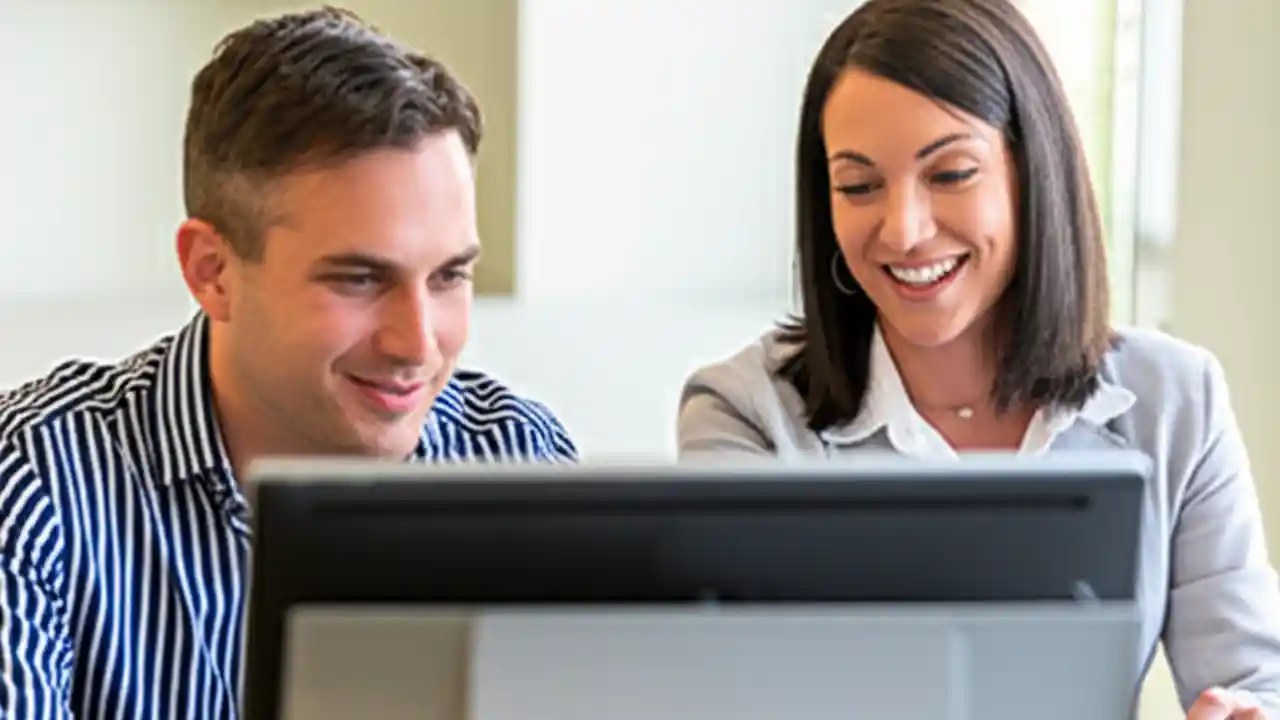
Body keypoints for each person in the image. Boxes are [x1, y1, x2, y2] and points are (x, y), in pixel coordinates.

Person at [676, 0, 1280, 717]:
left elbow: (1253, 682)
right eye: (859, 186)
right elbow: (741, 692)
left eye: (952, 173)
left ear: (1033, 173)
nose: (903, 230)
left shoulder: (1174, 399)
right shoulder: (745, 415)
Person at [0, 7, 575, 717]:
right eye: (359, 280)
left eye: (449, 276)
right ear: (212, 271)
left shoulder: (516, 460)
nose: (417, 344)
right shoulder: (36, 486)